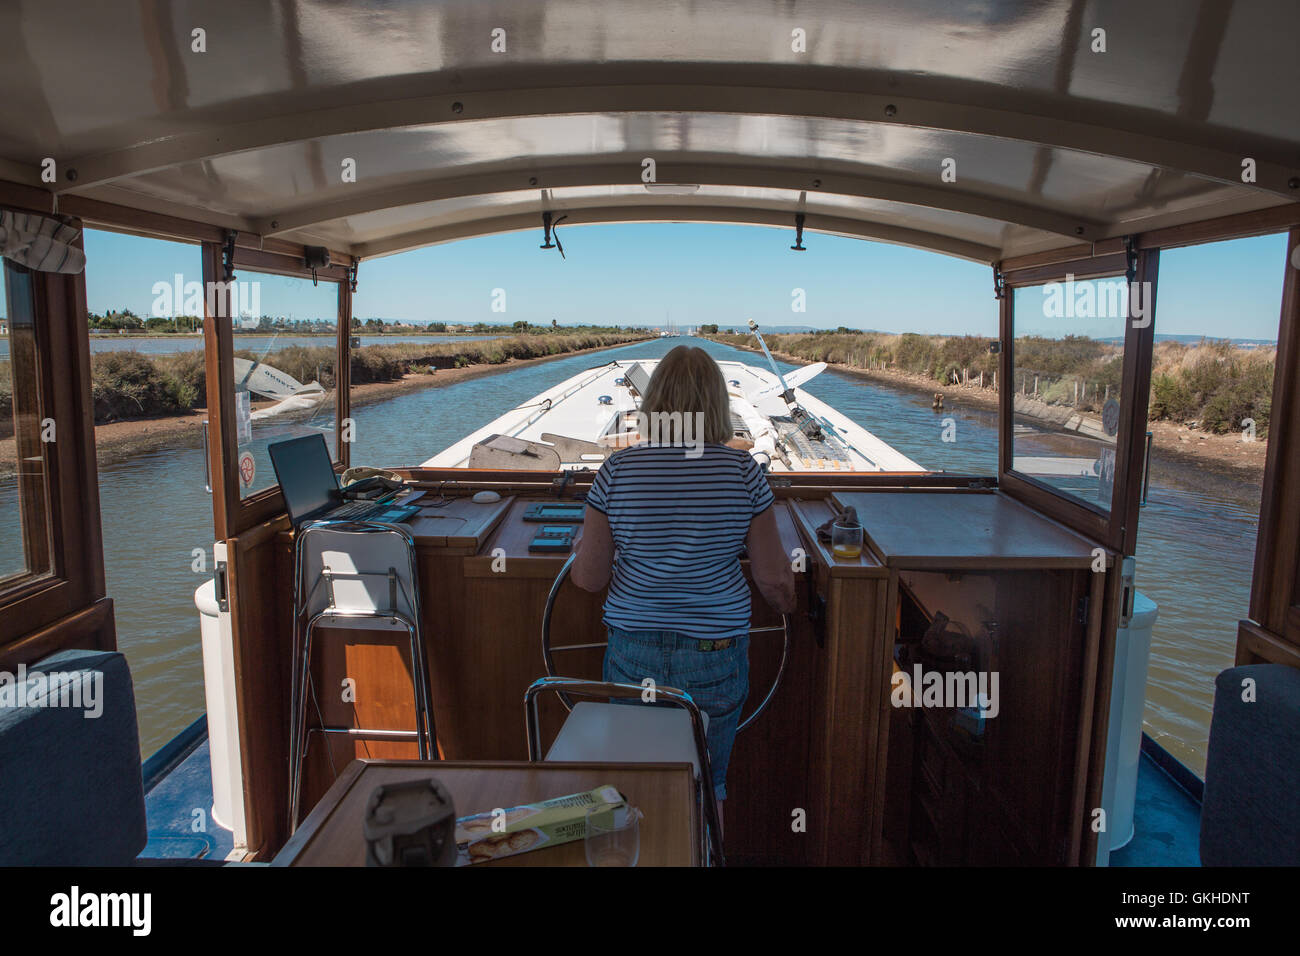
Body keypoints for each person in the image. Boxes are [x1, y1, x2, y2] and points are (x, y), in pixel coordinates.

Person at [571, 345, 797, 828]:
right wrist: (795, 605)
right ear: (718, 405)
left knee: (637, 780)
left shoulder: (617, 470)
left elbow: (588, 580)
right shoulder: (745, 474)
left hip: (634, 654)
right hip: (715, 653)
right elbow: (773, 579)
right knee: (708, 782)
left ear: (653, 404)